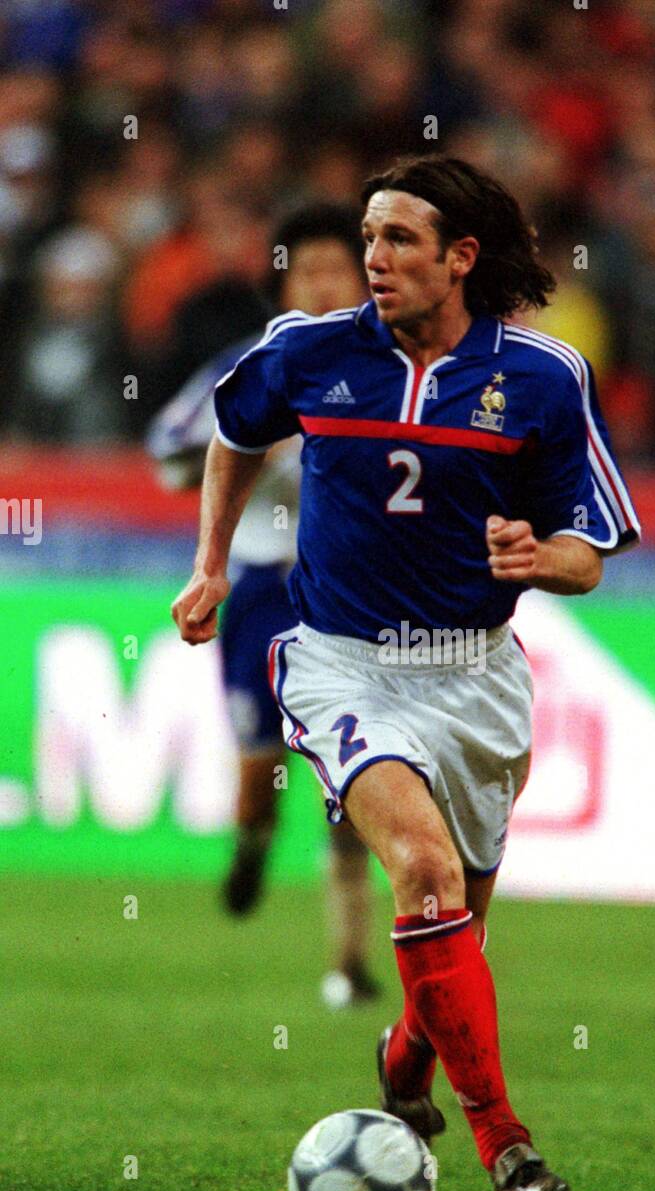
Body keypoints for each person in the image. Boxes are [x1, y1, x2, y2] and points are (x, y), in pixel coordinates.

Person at [172, 155, 640, 1191]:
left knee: (457, 925)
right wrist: (209, 561)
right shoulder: (308, 349)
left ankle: (402, 1054)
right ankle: (506, 1143)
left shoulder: (543, 376)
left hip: (474, 678)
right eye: (367, 239)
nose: (371, 261)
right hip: (343, 663)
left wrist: (538, 555)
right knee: (422, 873)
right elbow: (234, 433)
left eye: (397, 242)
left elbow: (592, 550)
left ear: (460, 258)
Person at [151, 204, 378, 1009]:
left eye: (336, 269)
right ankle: (251, 842)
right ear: (284, 281)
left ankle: (349, 959)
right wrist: (243, 448)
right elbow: (169, 443)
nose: (323, 284)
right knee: (264, 767)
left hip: (348, 593)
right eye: (307, 270)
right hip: (261, 587)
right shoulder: (255, 361)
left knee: (350, 784)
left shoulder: (389, 364)